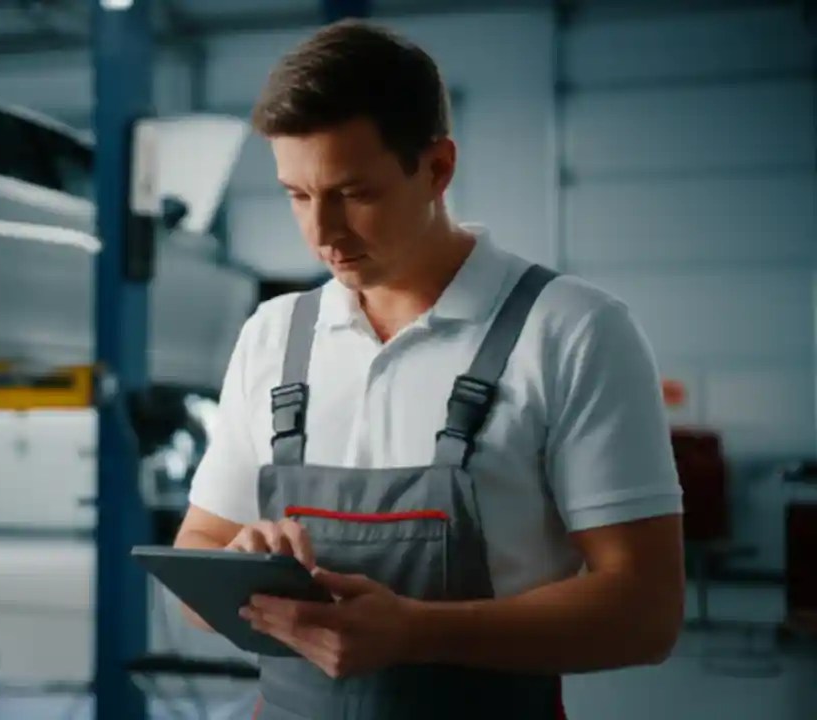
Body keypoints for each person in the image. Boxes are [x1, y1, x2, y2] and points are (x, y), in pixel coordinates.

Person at [172, 19, 685, 719]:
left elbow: (645, 611)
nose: (322, 232)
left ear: (438, 168)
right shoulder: (273, 337)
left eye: (354, 193)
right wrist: (246, 564)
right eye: (296, 195)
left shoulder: (572, 331)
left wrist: (417, 631)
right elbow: (193, 556)